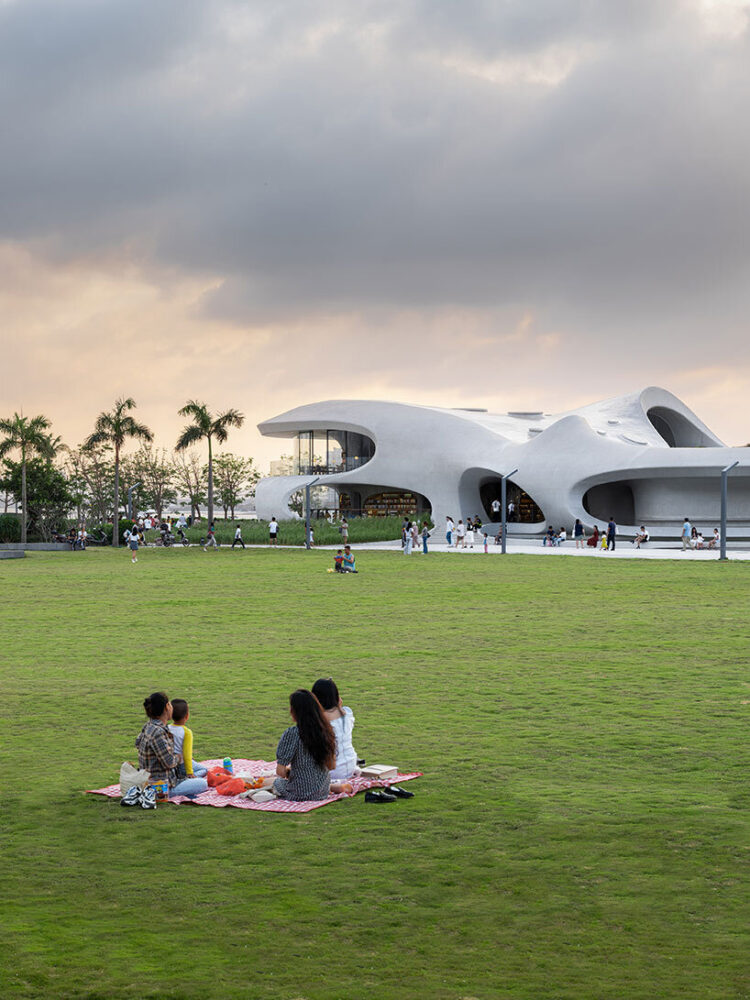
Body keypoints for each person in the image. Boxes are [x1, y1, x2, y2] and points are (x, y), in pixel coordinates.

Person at [266, 690, 353, 801]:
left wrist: (291, 771)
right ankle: (333, 787)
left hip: (299, 794)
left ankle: (332, 787)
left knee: (269, 781)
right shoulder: (327, 730)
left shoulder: (292, 733)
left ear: (295, 711)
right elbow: (331, 766)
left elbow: (280, 772)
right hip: (322, 792)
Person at [135, 692, 208, 799]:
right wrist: (180, 756)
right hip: (160, 787)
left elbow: (137, 743)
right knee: (202, 784)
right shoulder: (158, 732)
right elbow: (169, 762)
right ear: (166, 708)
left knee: (195, 775)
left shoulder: (149, 725)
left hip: (153, 779)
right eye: (170, 704)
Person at [311, 678, 359, 779]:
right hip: (351, 765)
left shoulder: (318, 722)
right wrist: (338, 706)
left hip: (331, 772)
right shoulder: (347, 714)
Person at [168, 699, 208, 780]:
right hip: (182, 765)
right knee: (204, 770)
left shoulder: (167, 728)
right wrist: (190, 772)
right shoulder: (187, 732)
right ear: (187, 716)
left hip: (171, 764)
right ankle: (188, 779)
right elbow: (187, 754)